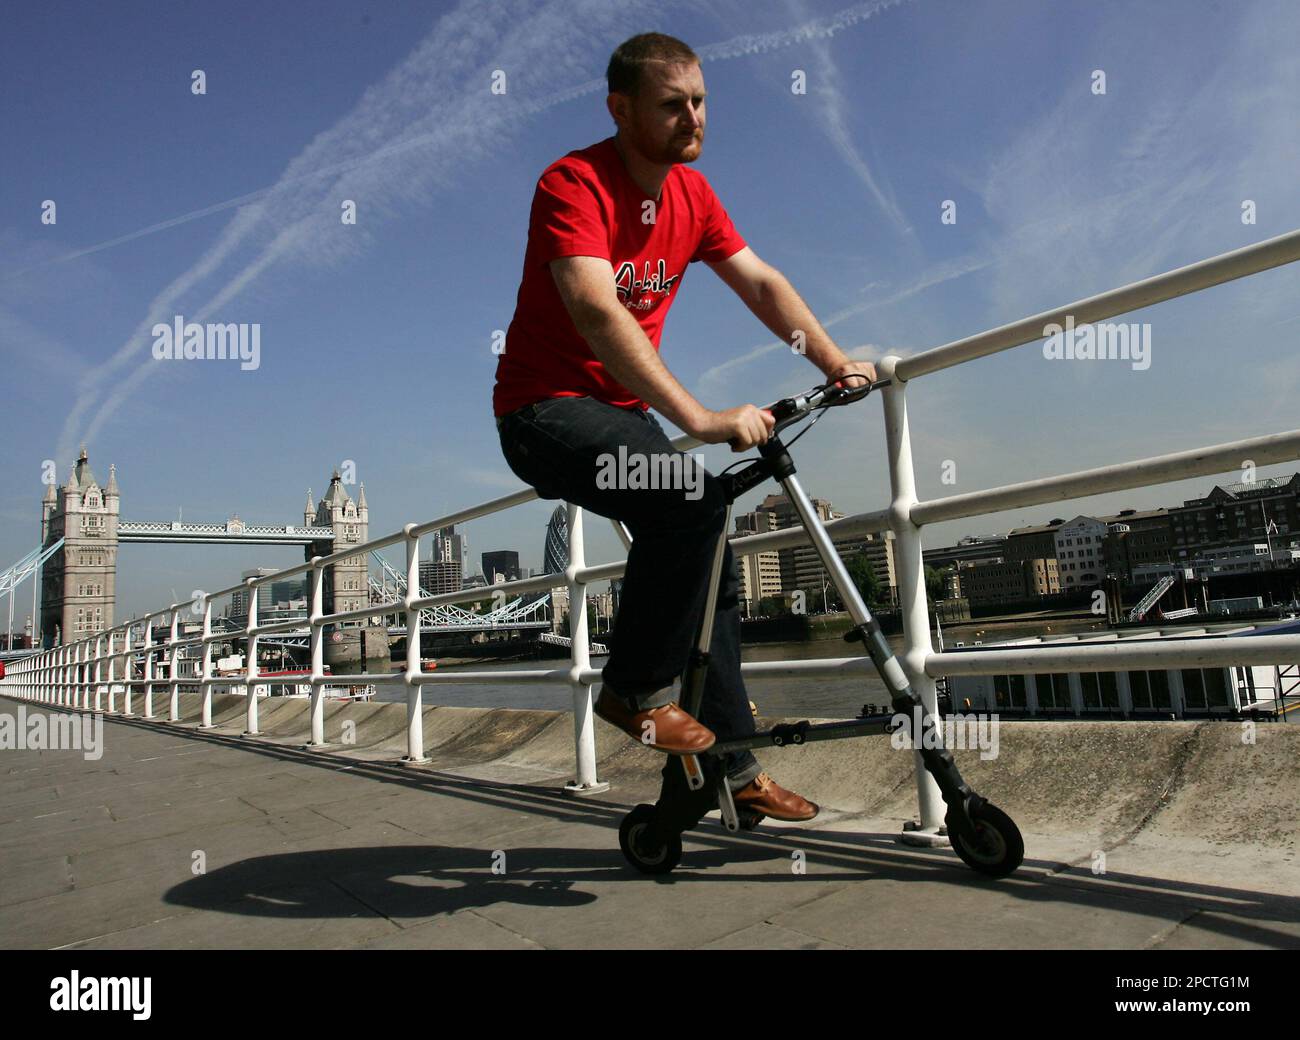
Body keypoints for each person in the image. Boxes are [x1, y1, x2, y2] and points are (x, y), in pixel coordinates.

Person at [493, 32, 875, 823]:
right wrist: (700, 418)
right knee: (689, 499)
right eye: (673, 105)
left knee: (713, 567)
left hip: (620, 415)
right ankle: (631, 690)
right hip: (544, 413)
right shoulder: (573, 184)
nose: (693, 117)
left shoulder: (692, 199)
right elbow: (598, 312)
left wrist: (836, 363)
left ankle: (723, 768)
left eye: (700, 101)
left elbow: (761, 282)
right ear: (621, 109)